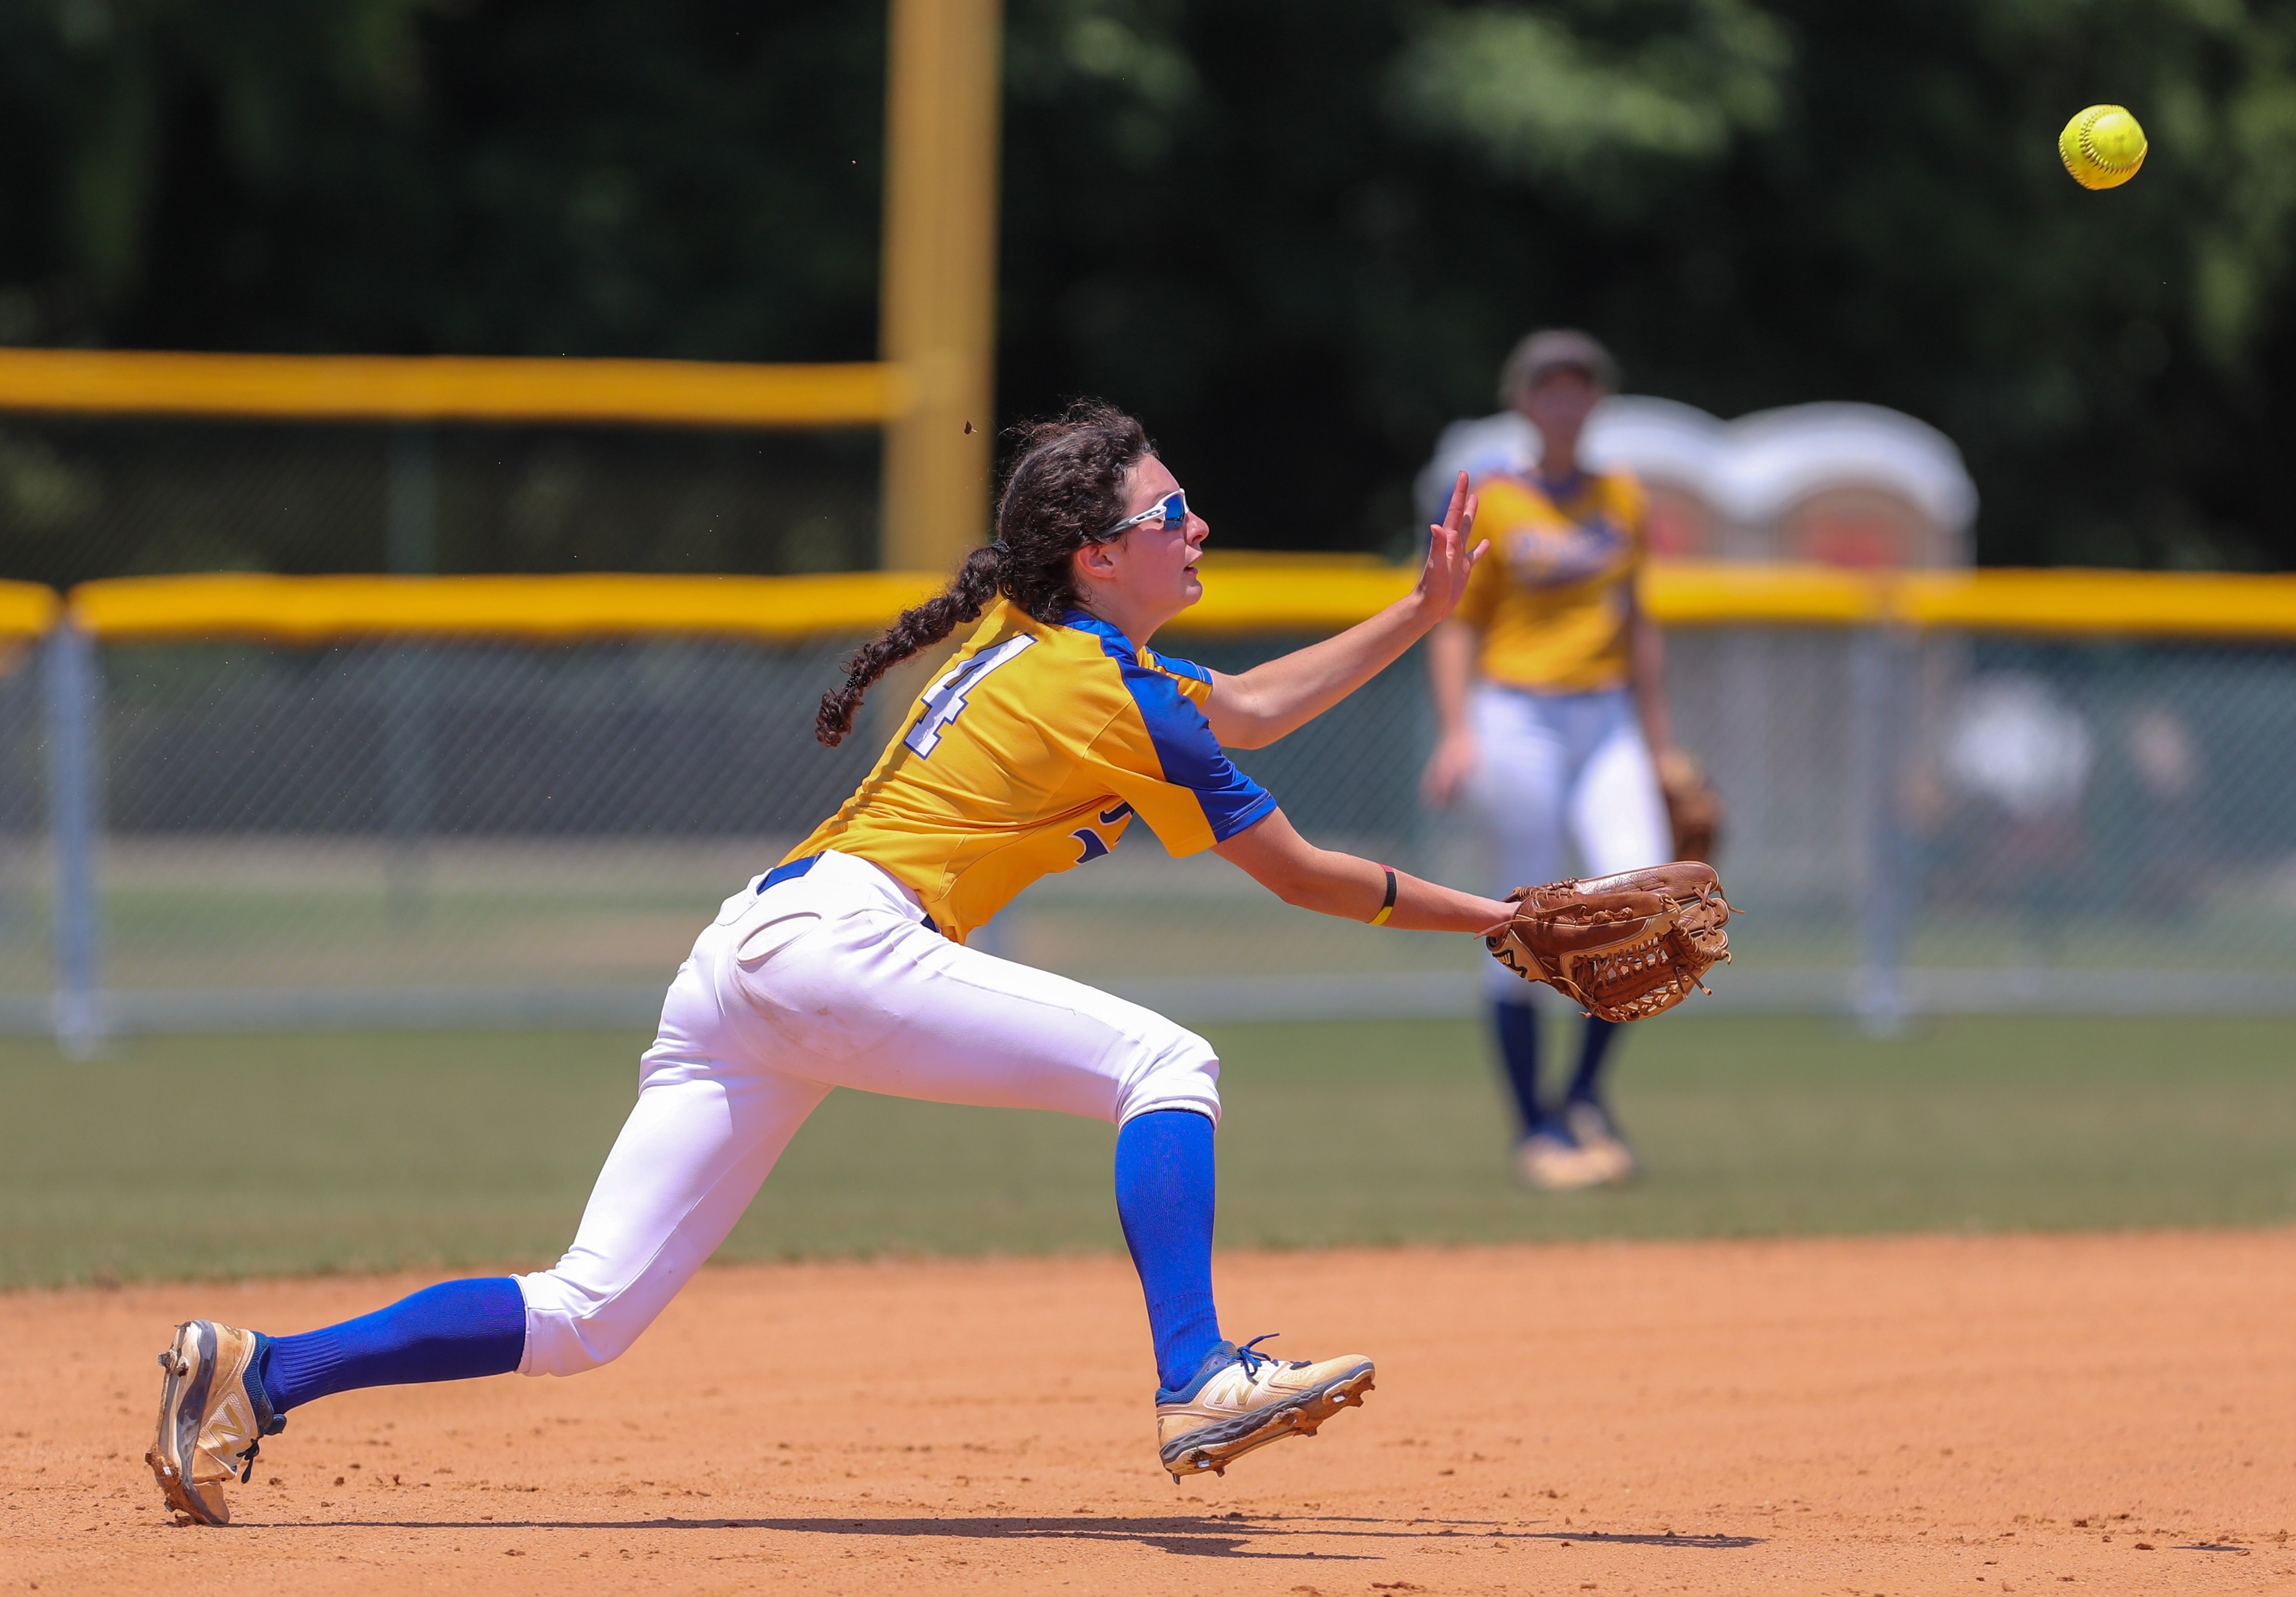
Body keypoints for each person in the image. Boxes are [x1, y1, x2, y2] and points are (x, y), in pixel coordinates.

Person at [147, 402, 1517, 1526]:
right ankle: (1199, 1374)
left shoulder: (1053, 651)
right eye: (1173, 514)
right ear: (1099, 557)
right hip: (844, 946)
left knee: (584, 1314)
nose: (1197, 526)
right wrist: (1503, 922)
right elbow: (1302, 875)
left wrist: (1419, 612)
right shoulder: (1110, 691)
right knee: (1168, 1062)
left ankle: (260, 1376)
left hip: (749, 957)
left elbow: (1254, 708)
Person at [1420, 331, 1677, 1192]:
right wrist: (1457, 730)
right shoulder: (1494, 497)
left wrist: (1660, 743)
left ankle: (1581, 1095)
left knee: (1648, 904)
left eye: (1578, 386)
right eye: (1548, 387)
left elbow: (1638, 618)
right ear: (1523, 401)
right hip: (1516, 712)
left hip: (1606, 716)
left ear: (1596, 400)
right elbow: (1455, 619)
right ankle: (1534, 1126)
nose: (1564, 400)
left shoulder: (1622, 495)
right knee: (1524, 919)